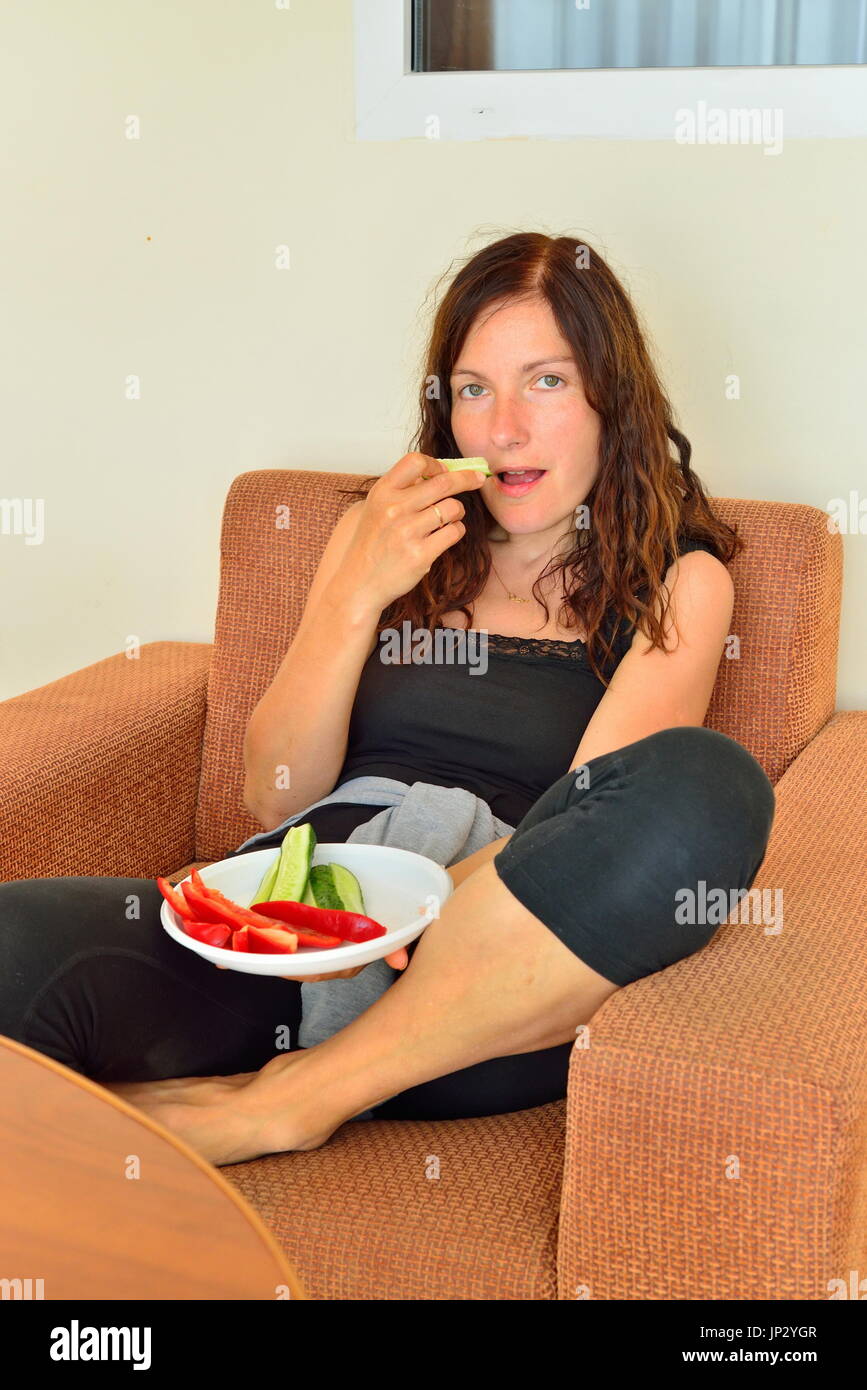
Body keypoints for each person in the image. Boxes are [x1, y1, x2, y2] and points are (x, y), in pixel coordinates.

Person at [0, 232, 775, 1165]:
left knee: (706, 782)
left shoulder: (678, 583)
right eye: (474, 388)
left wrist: (400, 915)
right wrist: (351, 590)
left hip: (477, 986)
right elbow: (277, 797)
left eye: (546, 382)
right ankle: (244, 1094)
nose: (503, 429)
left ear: (612, 398)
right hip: (292, 928)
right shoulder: (377, 538)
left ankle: (291, 1101)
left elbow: (583, 829)